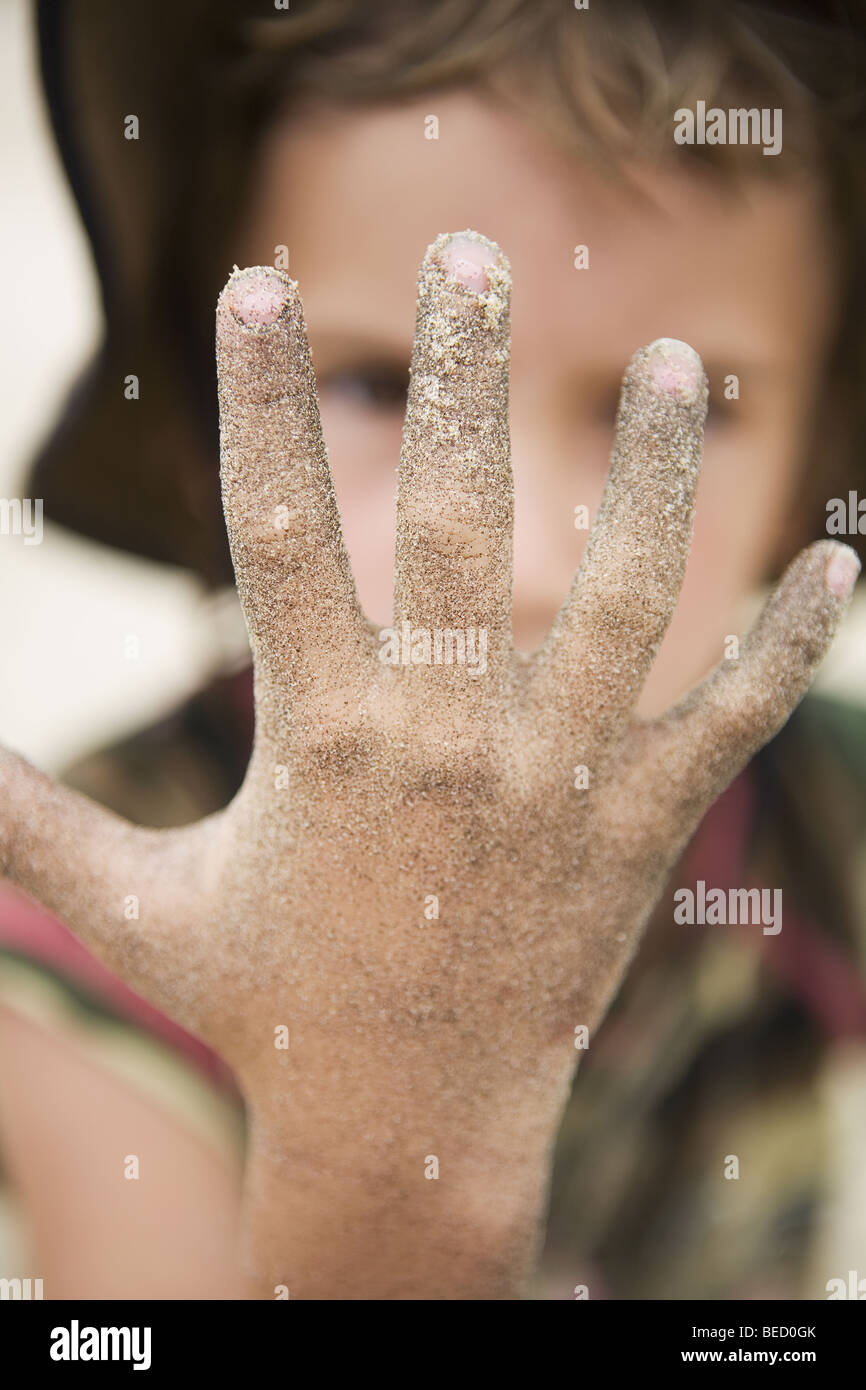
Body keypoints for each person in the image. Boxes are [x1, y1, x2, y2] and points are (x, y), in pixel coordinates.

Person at [0, 0, 864, 1299]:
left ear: (814, 475)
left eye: (667, 413)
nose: (510, 560)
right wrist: (398, 1169)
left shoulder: (821, 823)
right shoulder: (97, 923)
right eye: (376, 386)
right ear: (203, 436)